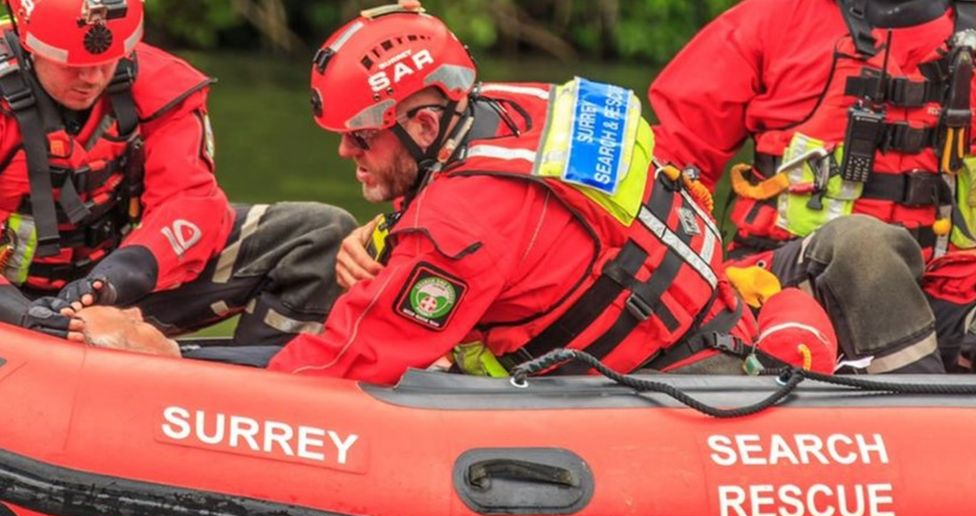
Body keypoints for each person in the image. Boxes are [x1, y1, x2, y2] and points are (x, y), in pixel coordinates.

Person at [257, 0, 766, 384]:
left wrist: (212, 398)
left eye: (361, 136)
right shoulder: (514, 106)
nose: (346, 152)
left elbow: (352, 358)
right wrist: (389, 230)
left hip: (674, 384)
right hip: (713, 325)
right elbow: (458, 203)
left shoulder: (458, 227)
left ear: (426, 126)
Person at [0, 0, 356, 344]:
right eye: (71, 63)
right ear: (30, 45)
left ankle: (259, 381)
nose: (92, 78)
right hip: (13, 299)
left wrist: (123, 274)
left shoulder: (162, 85)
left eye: (107, 61)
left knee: (321, 232)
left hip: (114, 284)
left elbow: (190, 199)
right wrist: (22, 315)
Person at [648, 0, 976, 373]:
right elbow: (669, 168)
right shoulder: (772, 19)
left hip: (942, 288)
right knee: (864, 247)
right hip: (782, 276)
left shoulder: (967, 40)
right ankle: (920, 418)